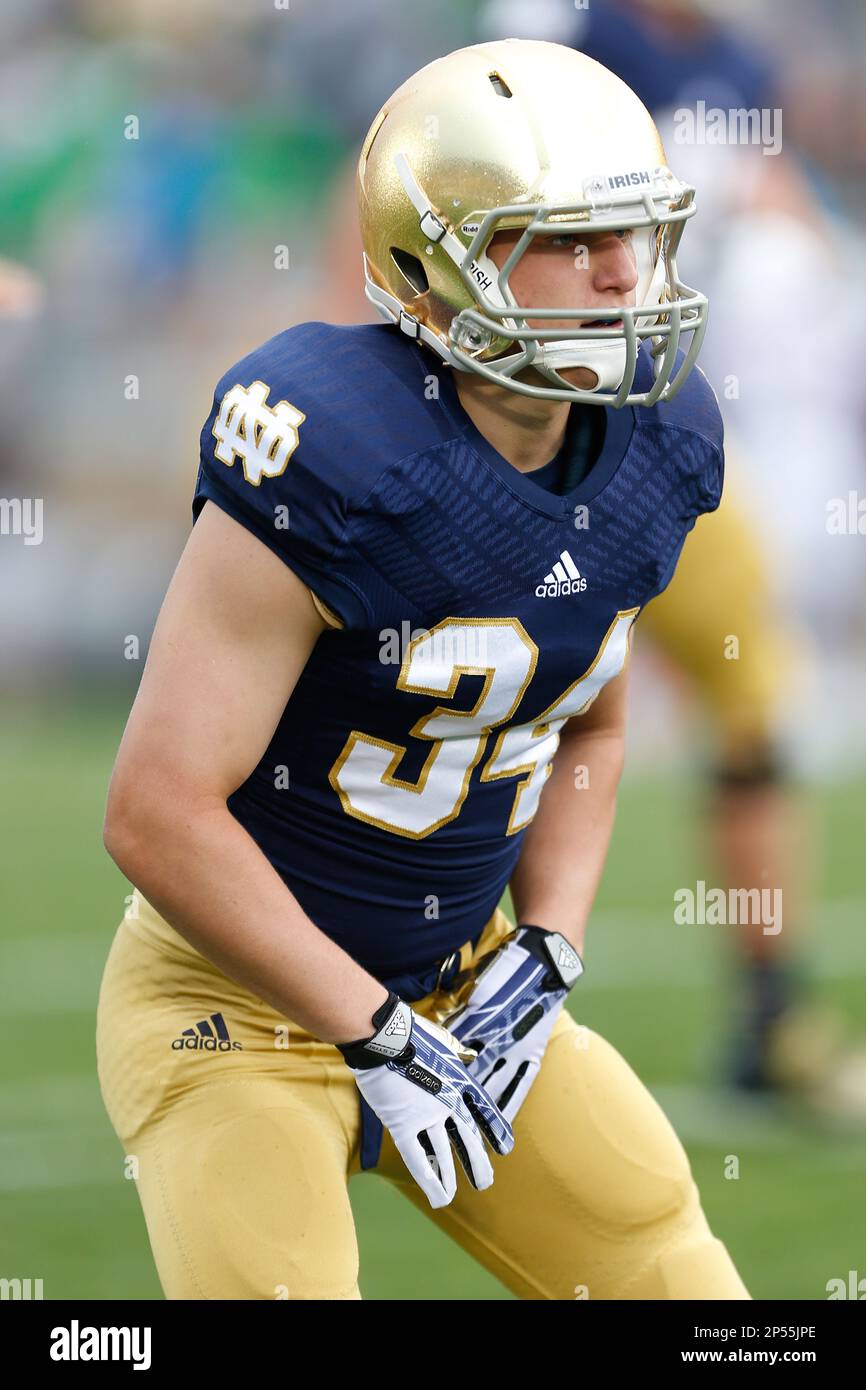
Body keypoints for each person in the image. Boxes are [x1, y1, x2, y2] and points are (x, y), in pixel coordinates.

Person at [97, 39, 750, 1300]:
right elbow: (154, 809)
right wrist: (369, 1026)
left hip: (461, 992)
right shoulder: (341, 446)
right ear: (437, 269)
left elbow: (588, 725)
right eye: (567, 241)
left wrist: (546, 948)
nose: (623, 273)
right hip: (231, 999)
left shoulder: (658, 443)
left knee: (684, 1286)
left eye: (633, 231)